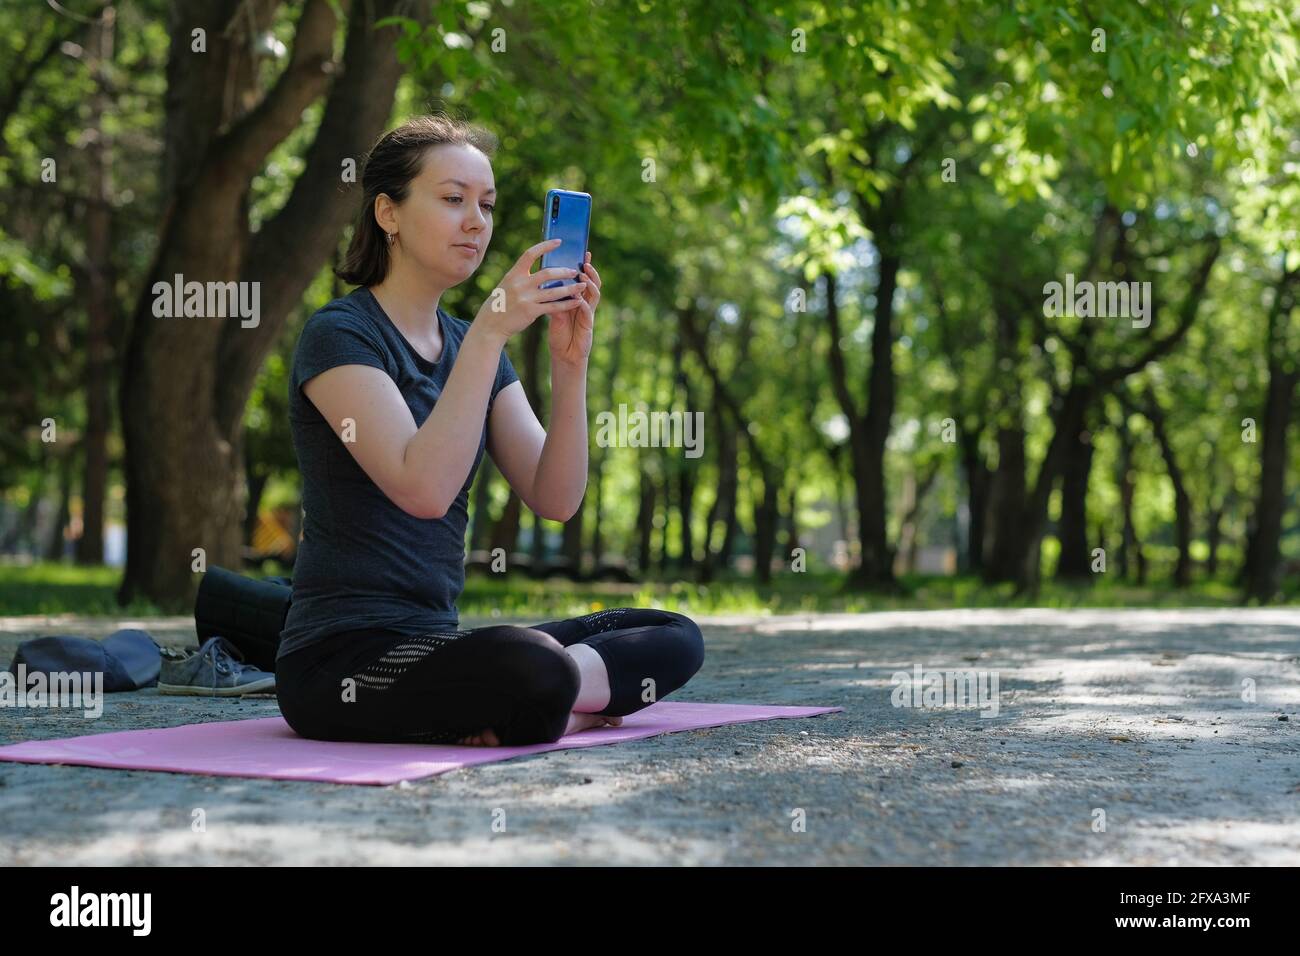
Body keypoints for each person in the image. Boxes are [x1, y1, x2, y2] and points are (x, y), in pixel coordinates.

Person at [274, 114, 704, 747]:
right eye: (452, 200)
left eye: (487, 204)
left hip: (440, 647)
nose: (476, 221)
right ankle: (560, 700)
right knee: (524, 663)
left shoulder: (471, 346)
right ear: (388, 214)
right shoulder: (341, 334)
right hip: (343, 662)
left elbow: (555, 499)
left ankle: (545, 702)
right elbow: (423, 488)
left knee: (673, 633)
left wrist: (569, 366)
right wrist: (489, 332)